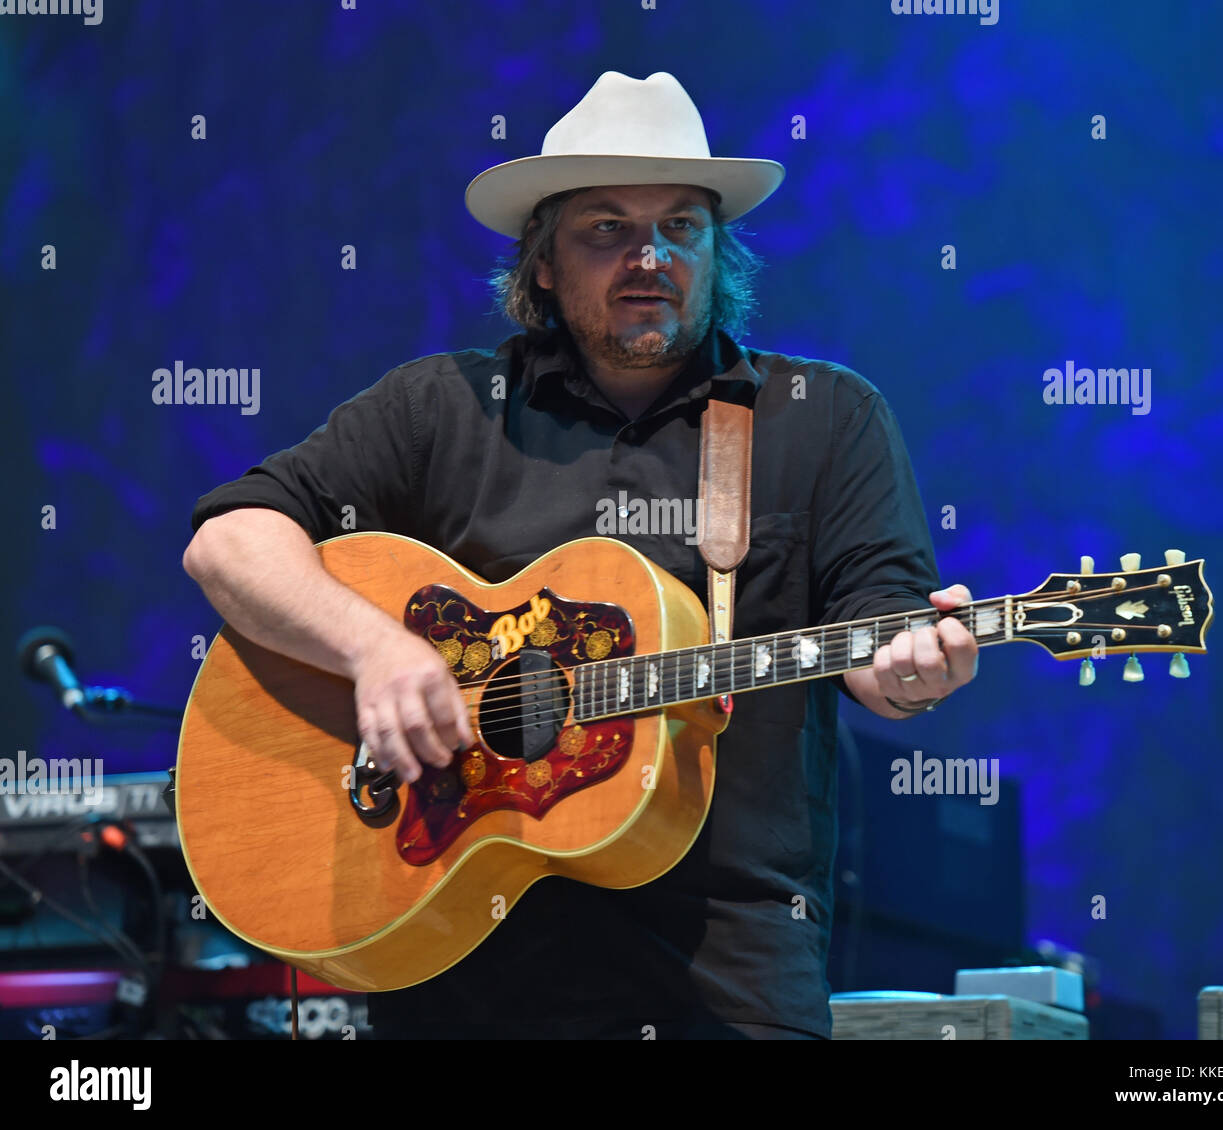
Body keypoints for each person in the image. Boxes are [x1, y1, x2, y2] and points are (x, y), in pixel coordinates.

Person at [182, 71, 978, 1040]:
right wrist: (376, 650)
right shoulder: (443, 408)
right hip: (458, 960)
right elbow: (230, 540)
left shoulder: (821, 419)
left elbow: (881, 652)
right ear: (545, 261)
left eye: (681, 225)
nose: (650, 256)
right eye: (606, 227)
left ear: (716, 248)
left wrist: (916, 671)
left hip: (723, 984)